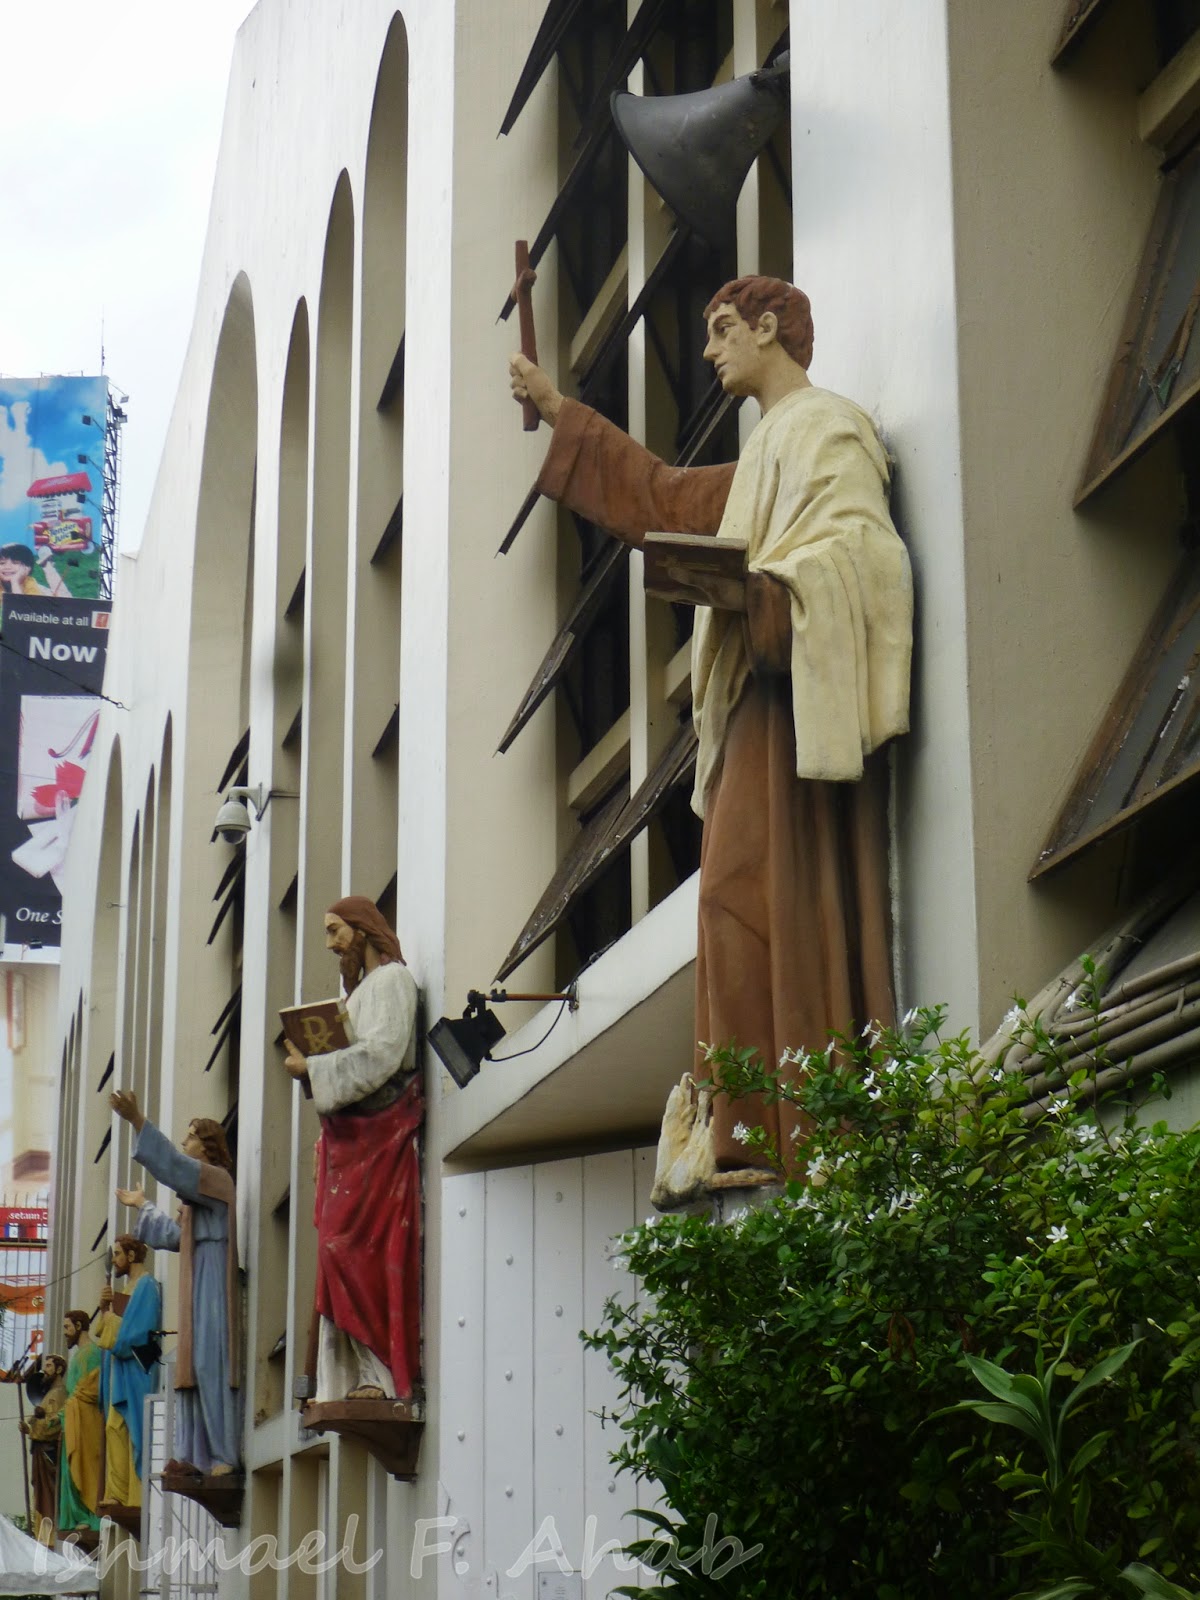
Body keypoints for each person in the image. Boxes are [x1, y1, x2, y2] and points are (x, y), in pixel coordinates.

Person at [510, 276, 913, 1176]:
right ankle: (745, 1123)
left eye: (723, 327)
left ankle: (791, 1125)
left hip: (789, 704)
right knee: (728, 903)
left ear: (773, 328)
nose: (707, 349)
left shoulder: (828, 427)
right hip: (754, 711)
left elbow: (864, 554)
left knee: (750, 895)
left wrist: (769, 593)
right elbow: (660, 499)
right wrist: (558, 407)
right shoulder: (763, 455)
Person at [284, 896, 420, 1401]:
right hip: (350, 1144)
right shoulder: (360, 993)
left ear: (363, 930)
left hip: (380, 1138)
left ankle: (379, 1376)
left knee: (350, 1252)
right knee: (335, 1253)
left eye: (336, 930)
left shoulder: (392, 982)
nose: (330, 943)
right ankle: (355, 1376)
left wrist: (314, 1070)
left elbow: (383, 1054)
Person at [110, 1091, 241, 1477]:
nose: (185, 1144)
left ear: (208, 1145)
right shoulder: (196, 1203)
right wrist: (142, 1206)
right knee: (191, 1364)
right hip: (196, 1282)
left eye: (190, 1137)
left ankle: (222, 1453)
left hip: (213, 1280)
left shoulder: (217, 1182)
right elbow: (170, 1235)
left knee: (209, 1360)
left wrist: (138, 1120)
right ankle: (195, 1453)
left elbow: (174, 1167)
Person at [92, 1235, 160, 1509]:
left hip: (137, 1367)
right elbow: (107, 1331)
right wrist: (105, 1308)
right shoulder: (128, 1287)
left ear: (132, 1256)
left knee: (133, 1428)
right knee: (113, 1426)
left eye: (119, 1253)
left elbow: (139, 1329)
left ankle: (135, 1495)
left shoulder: (146, 1285)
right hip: (120, 1368)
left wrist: (109, 1319)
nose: (116, 1259)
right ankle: (119, 1492)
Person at [58, 1310, 102, 1536]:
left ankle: (89, 1513)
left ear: (78, 1326)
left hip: (87, 1422)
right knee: (71, 1467)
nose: (65, 1333)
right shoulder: (78, 1356)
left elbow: (93, 1390)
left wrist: (73, 1402)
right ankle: (78, 1515)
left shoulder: (93, 1353)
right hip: (73, 1421)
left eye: (67, 1328)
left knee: (86, 1467)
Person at [21, 1353, 66, 1543]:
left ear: (58, 1370)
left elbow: (54, 1425)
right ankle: (42, 1533)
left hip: (49, 1453)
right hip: (42, 1452)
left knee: (47, 1496)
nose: (44, 1370)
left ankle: (48, 1536)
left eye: (48, 1366)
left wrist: (32, 1429)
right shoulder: (49, 1393)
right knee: (41, 1495)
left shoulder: (57, 1394)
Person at [0, 542, 69, 598]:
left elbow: (19, 609)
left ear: (27, 568)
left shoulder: (31, 585)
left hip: (46, 598)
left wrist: (15, 582)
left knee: (65, 598)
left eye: (15, 563)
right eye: (2, 563)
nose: (7, 567)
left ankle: (47, 565)